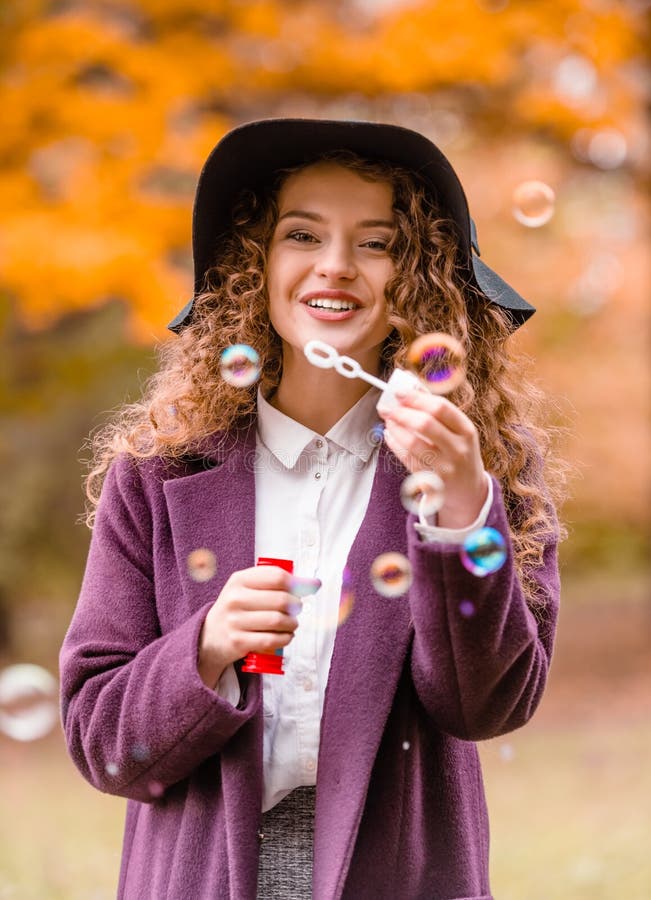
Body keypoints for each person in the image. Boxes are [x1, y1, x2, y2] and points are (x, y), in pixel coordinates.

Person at [60, 118, 564, 900]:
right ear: (253, 266)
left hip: (400, 875)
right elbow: (102, 743)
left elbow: (486, 706)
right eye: (302, 234)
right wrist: (205, 648)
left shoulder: (482, 467)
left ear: (417, 276)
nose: (334, 267)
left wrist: (463, 513)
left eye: (377, 242)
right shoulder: (156, 476)